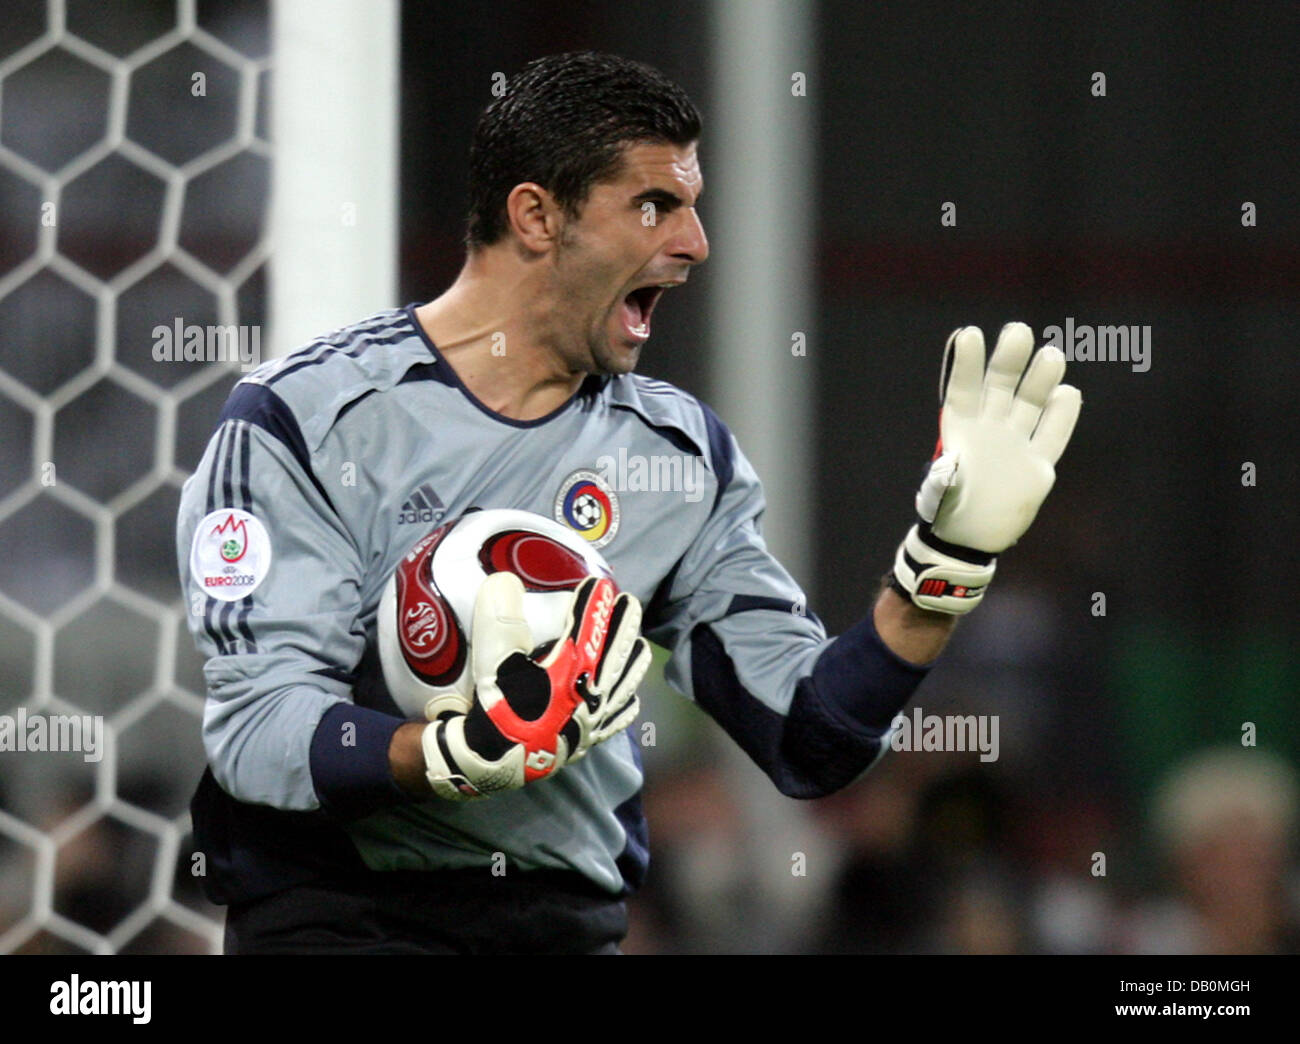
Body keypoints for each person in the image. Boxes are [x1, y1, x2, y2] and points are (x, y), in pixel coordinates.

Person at [176, 51, 1080, 954]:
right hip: (336, 918)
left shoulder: (677, 461)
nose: (695, 243)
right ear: (536, 216)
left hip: (563, 930)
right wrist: (444, 756)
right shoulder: (308, 420)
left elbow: (813, 738)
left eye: (692, 206)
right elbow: (259, 731)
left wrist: (947, 559)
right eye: (655, 206)